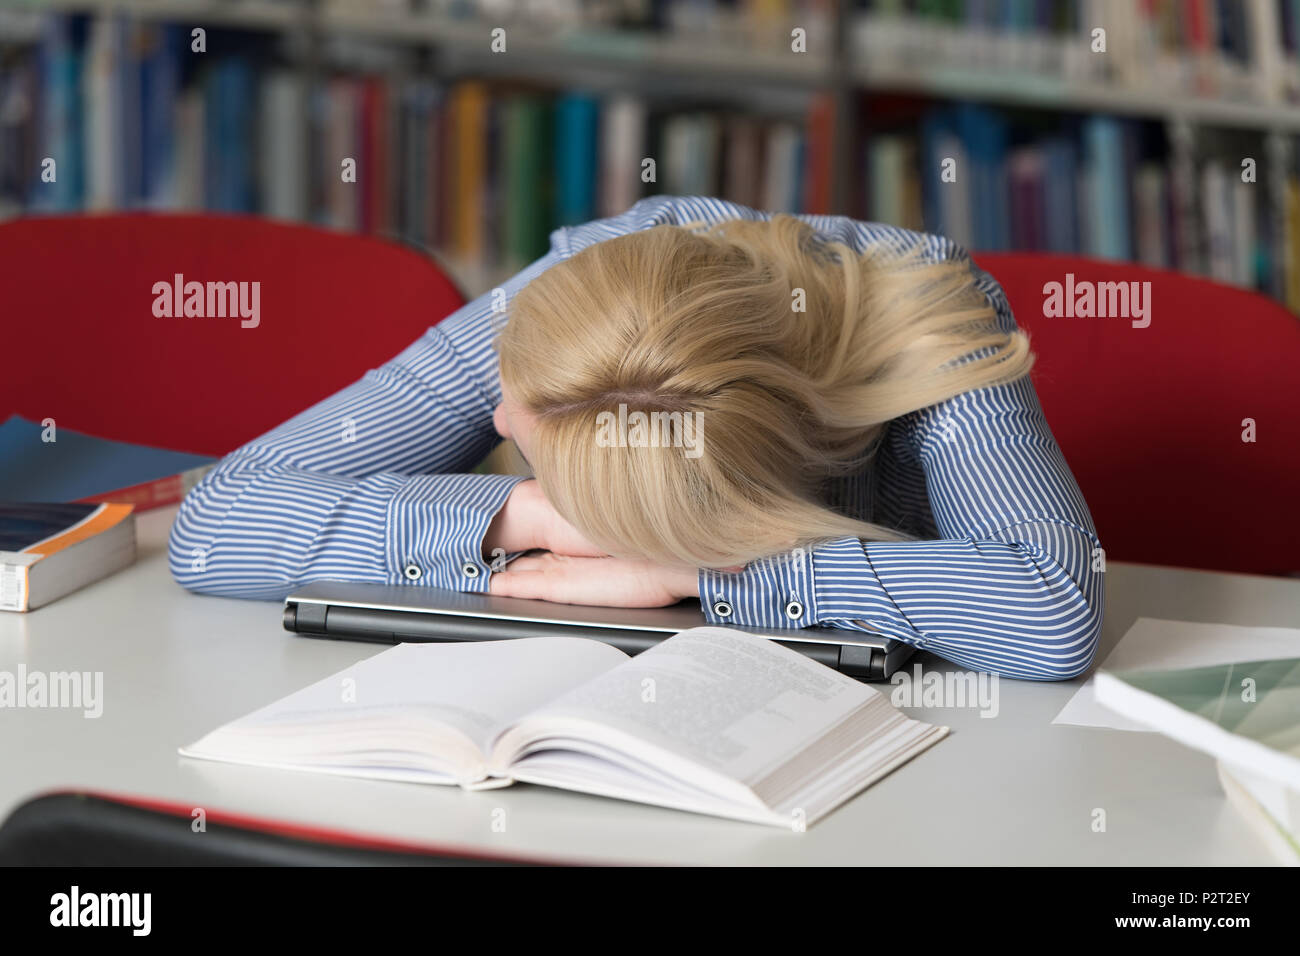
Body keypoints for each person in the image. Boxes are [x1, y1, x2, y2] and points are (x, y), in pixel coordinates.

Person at [169, 195, 1103, 680]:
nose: (495, 422)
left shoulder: (925, 311)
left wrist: (703, 572)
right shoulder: (573, 295)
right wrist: (522, 514)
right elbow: (214, 520)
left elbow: (1056, 604)